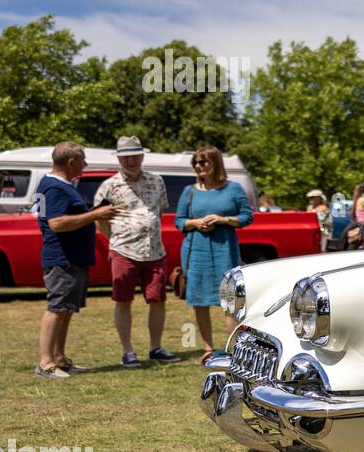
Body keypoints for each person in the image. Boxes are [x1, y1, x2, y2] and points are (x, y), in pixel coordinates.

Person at [93, 135, 182, 368]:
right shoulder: (109, 185)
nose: (130, 161)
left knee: (158, 300)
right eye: (125, 157)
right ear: (119, 159)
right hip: (124, 251)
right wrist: (116, 240)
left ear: (142, 155)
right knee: (123, 300)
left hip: (155, 250)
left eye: (134, 156)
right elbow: (100, 220)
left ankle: (156, 347)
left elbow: (159, 213)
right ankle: (127, 351)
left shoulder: (157, 180)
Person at [35, 142, 117, 379]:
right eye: (83, 161)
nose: (85, 165)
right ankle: (46, 363)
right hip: (62, 258)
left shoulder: (58, 185)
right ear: (71, 162)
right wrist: (95, 214)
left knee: (67, 309)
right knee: (57, 308)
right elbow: (56, 223)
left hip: (72, 258)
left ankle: (59, 358)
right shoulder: (55, 188)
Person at [176, 145, 253, 363]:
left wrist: (222, 220)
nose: (199, 166)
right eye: (196, 163)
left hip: (224, 252)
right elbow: (179, 221)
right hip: (197, 253)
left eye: (203, 162)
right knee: (199, 301)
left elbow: (247, 217)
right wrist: (196, 223)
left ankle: (236, 348)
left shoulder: (233, 189)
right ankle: (208, 348)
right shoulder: (189, 191)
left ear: (215, 163)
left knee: (230, 301)